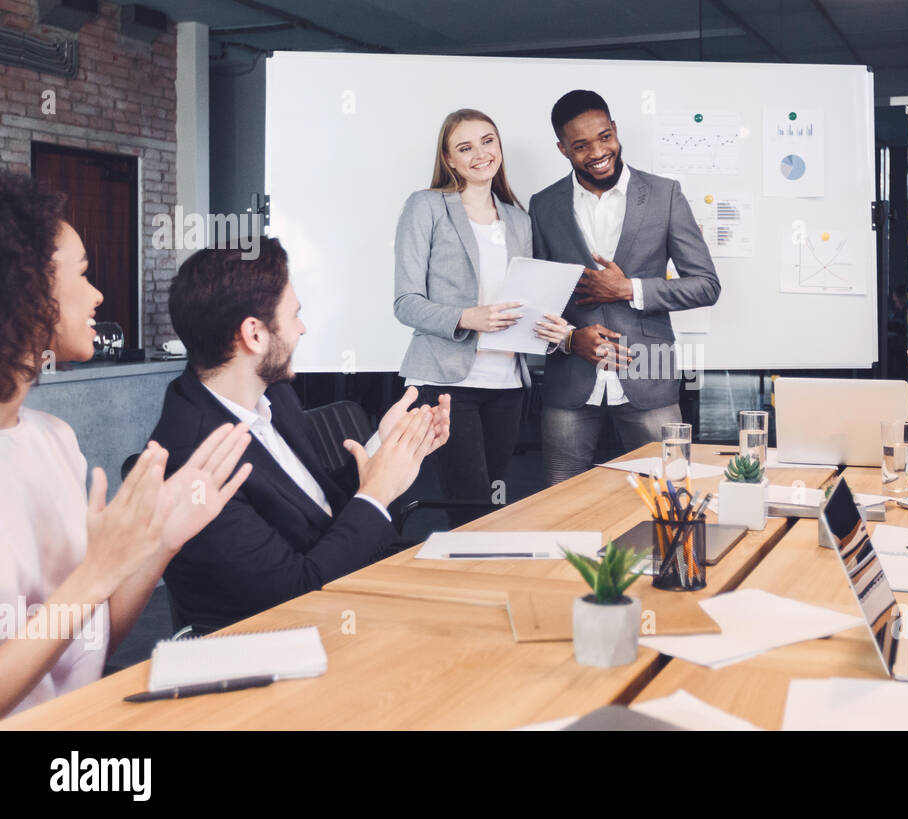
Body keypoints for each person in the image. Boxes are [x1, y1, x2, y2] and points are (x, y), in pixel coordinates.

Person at [0, 172, 252, 716]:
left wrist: (160, 542)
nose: (97, 295)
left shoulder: (53, 438)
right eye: (84, 275)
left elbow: (86, 655)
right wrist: (95, 575)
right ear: (25, 290)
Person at [151, 240, 450, 634]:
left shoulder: (273, 394)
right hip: (274, 648)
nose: (302, 329)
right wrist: (377, 493)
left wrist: (386, 442)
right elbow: (295, 595)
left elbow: (320, 509)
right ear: (254, 334)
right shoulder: (193, 459)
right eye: (294, 316)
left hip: (346, 605)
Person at [529, 90, 721, 486]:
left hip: (650, 378)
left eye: (604, 137)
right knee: (561, 505)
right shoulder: (543, 205)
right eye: (580, 145)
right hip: (570, 382)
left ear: (614, 130)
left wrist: (629, 289)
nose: (598, 151)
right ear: (563, 149)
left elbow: (706, 286)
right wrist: (569, 339)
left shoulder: (665, 195)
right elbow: (537, 301)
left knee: (673, 497)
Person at [394, 109, 559, 523]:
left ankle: (485, 582)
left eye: (488, 141)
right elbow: (406, 302)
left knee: (492, 505)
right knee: (469, 507)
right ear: (449, 160)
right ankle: (467, 585)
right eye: (465, 148)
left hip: (508, 385)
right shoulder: (427, 207)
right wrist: (469, 317)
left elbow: (528, 303)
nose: (480, 153)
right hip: (447, 382)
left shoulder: (519, 220)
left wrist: (554, 331)